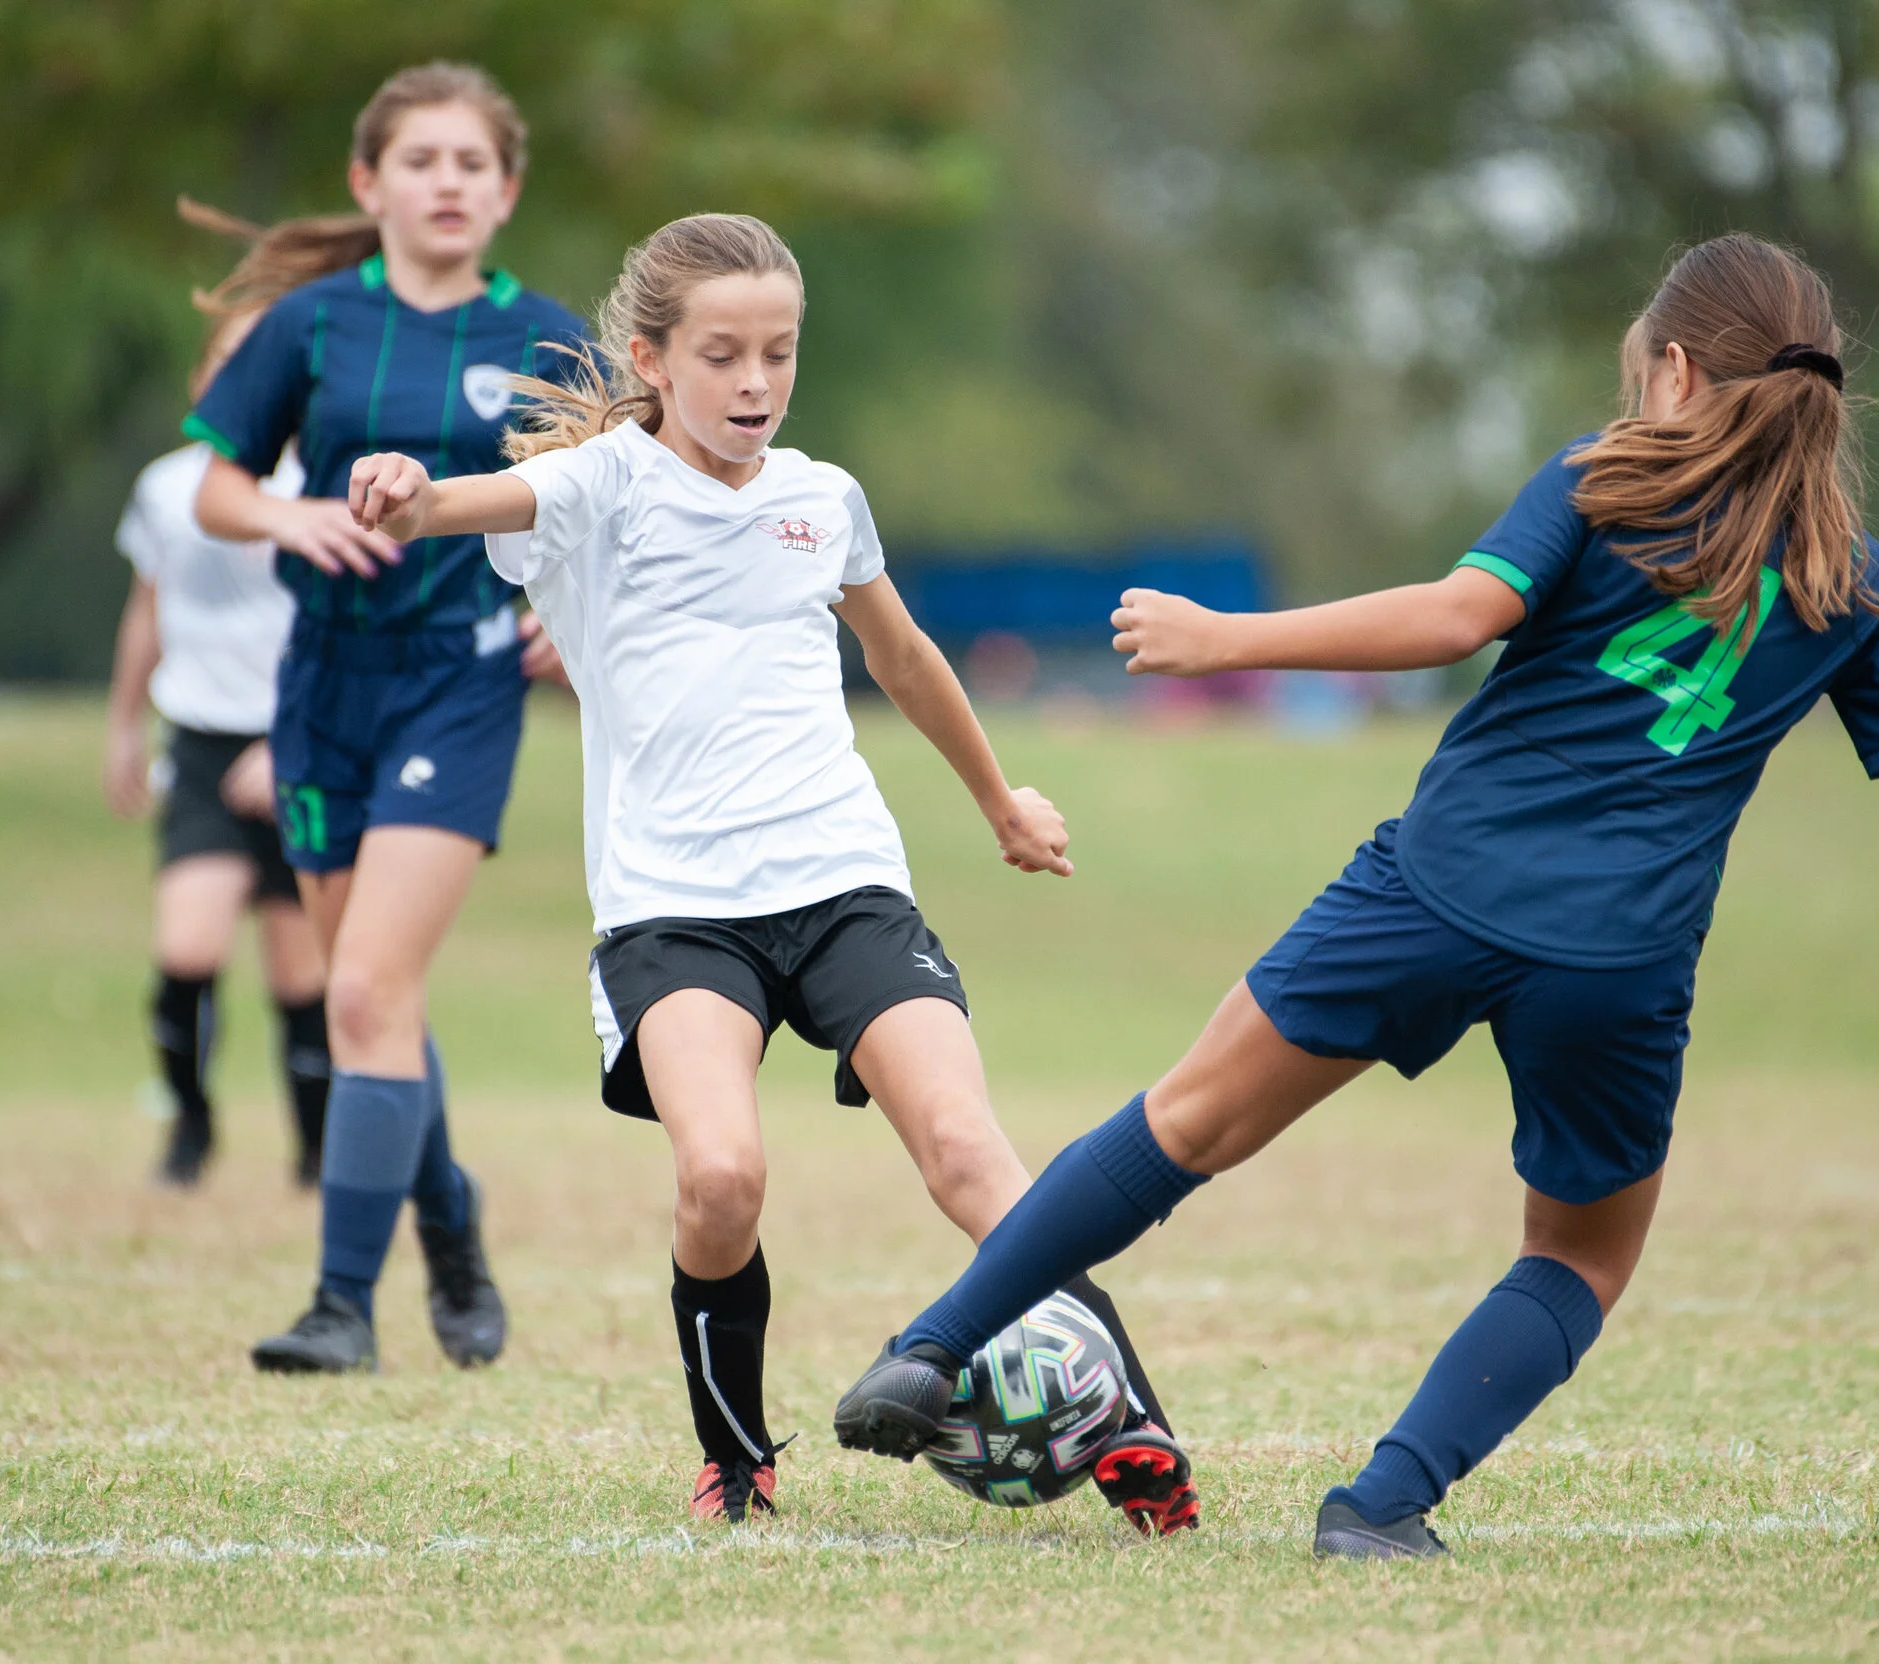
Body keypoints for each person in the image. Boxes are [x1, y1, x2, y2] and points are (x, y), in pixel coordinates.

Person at [830, 233, 1879, 1558]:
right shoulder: (1852, 580)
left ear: (1670, 369)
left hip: (1432, 889)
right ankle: (1381, 1503)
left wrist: (1227, 639)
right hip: (1617, 959)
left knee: (1182, 1124)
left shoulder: (1601, 483)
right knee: (1580, 1259)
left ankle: (934, 1345)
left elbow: (1450, 618)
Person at [342, 212, 1199, 1532]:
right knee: (722, 1178)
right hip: (675, 915)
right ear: (655, 359)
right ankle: (735, 1457)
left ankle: (1128, 1425)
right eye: (724, 355)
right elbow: (467, 505)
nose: (755, 384)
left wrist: (1001, 801)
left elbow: (906, 661)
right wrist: (407, 490)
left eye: (779, 354)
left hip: (844, 880)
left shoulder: (822, 497)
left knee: (973, 1150)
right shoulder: (603, 488)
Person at [182, 62, 588, 1375]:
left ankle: (341, 1309)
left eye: (474, 163)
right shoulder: (309, 327)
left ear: (509, 189)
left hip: (460, 681)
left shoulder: (555, 344)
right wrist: (286, 513)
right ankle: (454, 1231)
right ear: (371, 184)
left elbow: (625, 509)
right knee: (378, 1006)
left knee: (362, 990)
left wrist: (570, 610)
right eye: (423, 161)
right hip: (320, 684)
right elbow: (214, 490)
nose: (450, 183)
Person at [103, 298, 328, 1189]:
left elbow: (336, 623)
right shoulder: (167, 487)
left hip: (299, 738)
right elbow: (148, 609)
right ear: (205, 379)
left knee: (299, 970)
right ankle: (190, 1131)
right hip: (198, 739)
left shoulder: (320, 483)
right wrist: (123, 725)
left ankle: (317, 1155)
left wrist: (289, 742)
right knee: (188, 950)